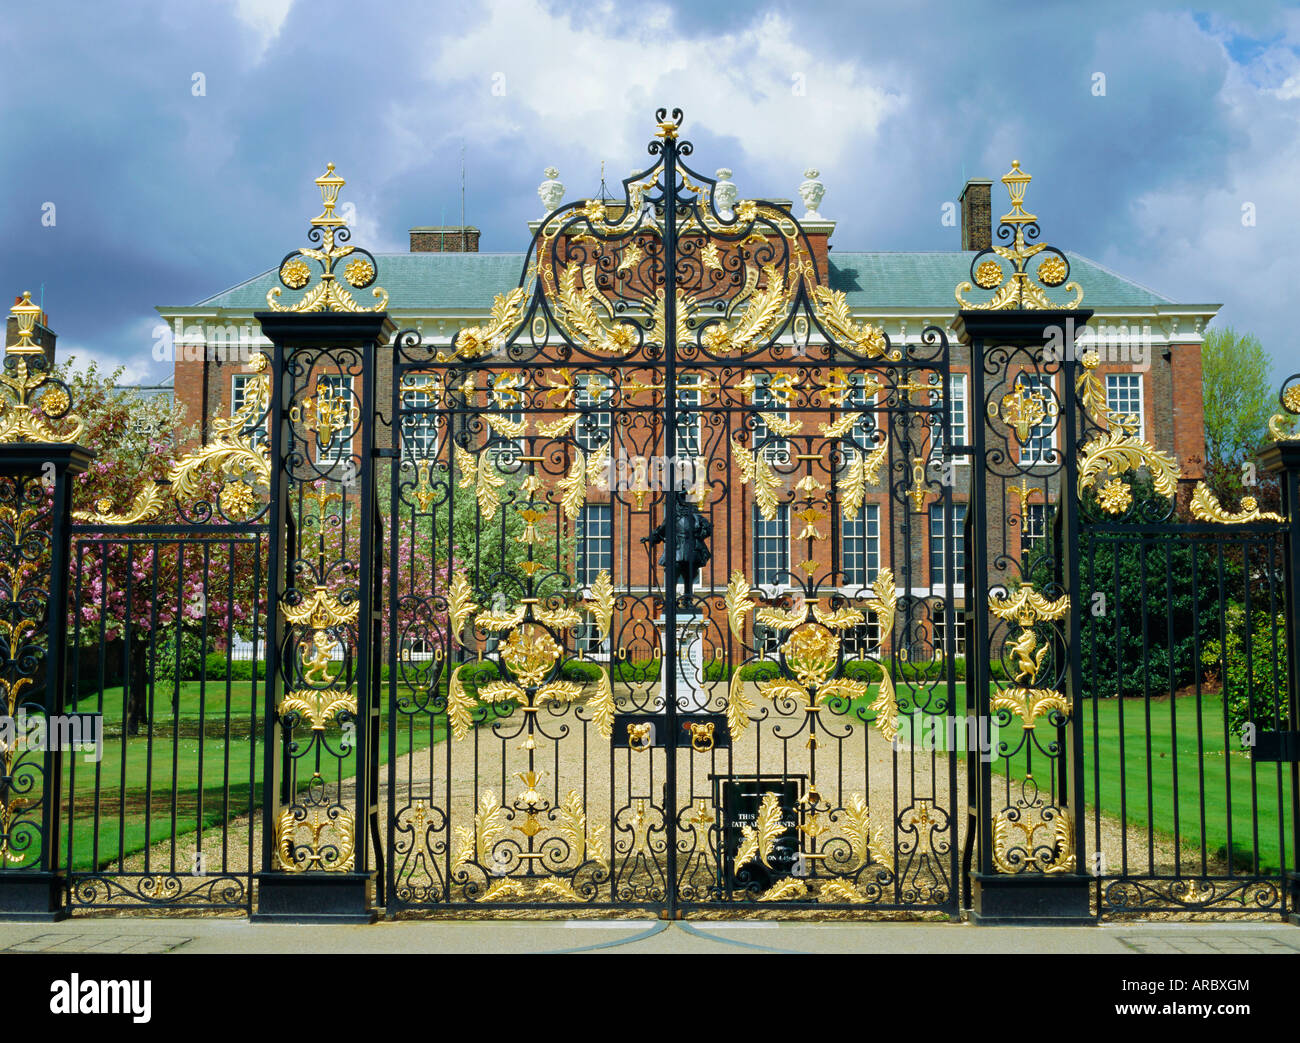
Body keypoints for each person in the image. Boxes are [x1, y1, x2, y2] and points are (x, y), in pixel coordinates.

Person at [643, 492, 712, 603]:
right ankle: (672, 601)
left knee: (689, 577)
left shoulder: (695, 515)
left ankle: (688, 600)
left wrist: (706, 529)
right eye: (682, 498)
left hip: (691, 550)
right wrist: (650, 538)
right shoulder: (673, 516)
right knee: (673, 576)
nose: (684, 501)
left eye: (685, 498)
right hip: (677, 550)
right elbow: (661, 530)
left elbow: (707, 529)